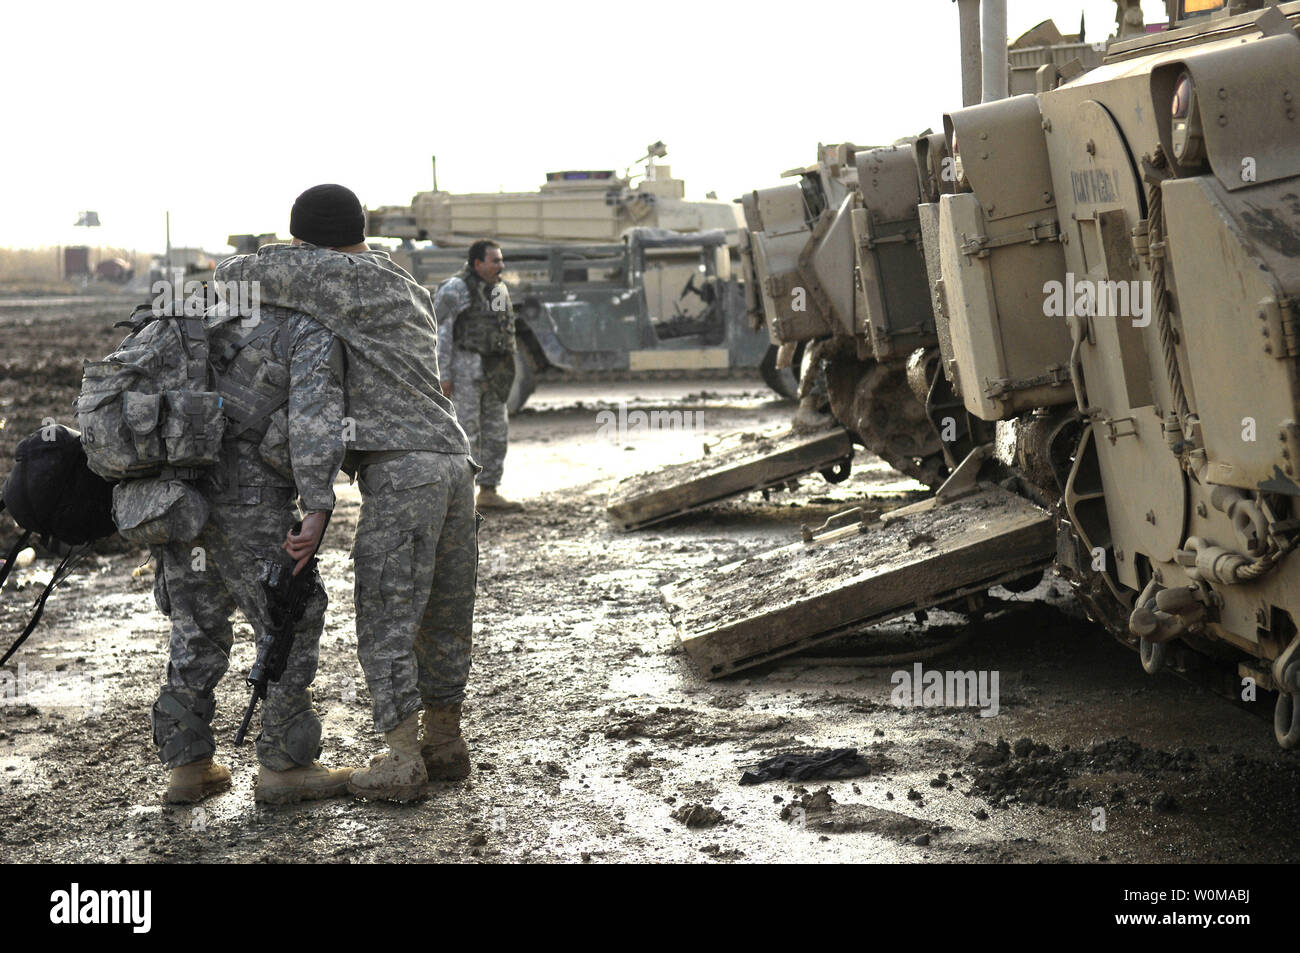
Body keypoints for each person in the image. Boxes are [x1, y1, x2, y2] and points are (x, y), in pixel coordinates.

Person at [218, 184, 479, 802]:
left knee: (386, 612)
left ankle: (400, 760)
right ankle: (445, 742)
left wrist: (317, 502)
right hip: (453, 461)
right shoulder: (403, 282)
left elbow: (238, 272)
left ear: (306, 239)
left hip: (401, 470)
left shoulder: (336, 277)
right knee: (444, 613)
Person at [149, 274, 353, 805]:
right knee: (291, 614)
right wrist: (317, 505)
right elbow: (314, 421)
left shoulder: (197, 320)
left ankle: (188, 768)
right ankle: (285, 766)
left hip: (178, 499)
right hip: (253, 505)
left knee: (196, 626)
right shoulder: (300, 329)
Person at [433, 239, 523, 511]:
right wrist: (443, 375)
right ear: (477, 263)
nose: (501, 265)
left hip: (492, 375)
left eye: (501, 260)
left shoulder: (496, 291)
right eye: (495, 260)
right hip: (464, 375)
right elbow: (442, 334)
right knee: (466, 435)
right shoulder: (455, 289)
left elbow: (498, 330)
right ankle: (461, 498)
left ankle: (488, 491)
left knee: (496, 433)